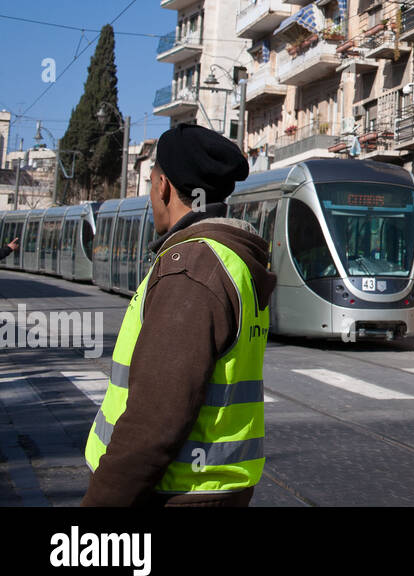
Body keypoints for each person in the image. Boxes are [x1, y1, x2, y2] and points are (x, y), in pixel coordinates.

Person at [83, 123, 275, 506]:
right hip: (214, 492)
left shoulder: (191, 268)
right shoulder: (231, 259)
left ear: (163, 186)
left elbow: (155, 420)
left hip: (174, 494)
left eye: (151, 182)